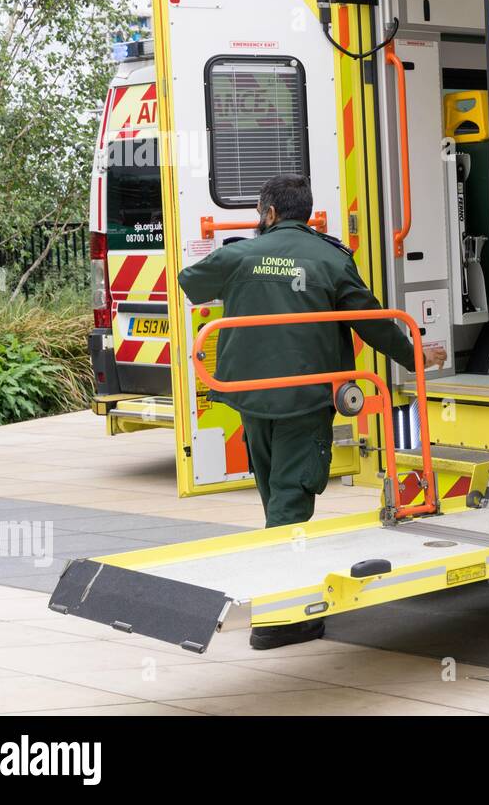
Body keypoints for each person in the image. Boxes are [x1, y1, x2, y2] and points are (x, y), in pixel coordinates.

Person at [178, 174, 446, 649]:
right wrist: (415, 356)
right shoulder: (331, 258)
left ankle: (280, 596)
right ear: (307, 213)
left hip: (252, 396)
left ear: (269, 214)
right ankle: (279, 619)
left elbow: (190, 282)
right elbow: (370, 320)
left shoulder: (240, 255)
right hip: (304, 399)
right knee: (290, 497)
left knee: (274, 493)